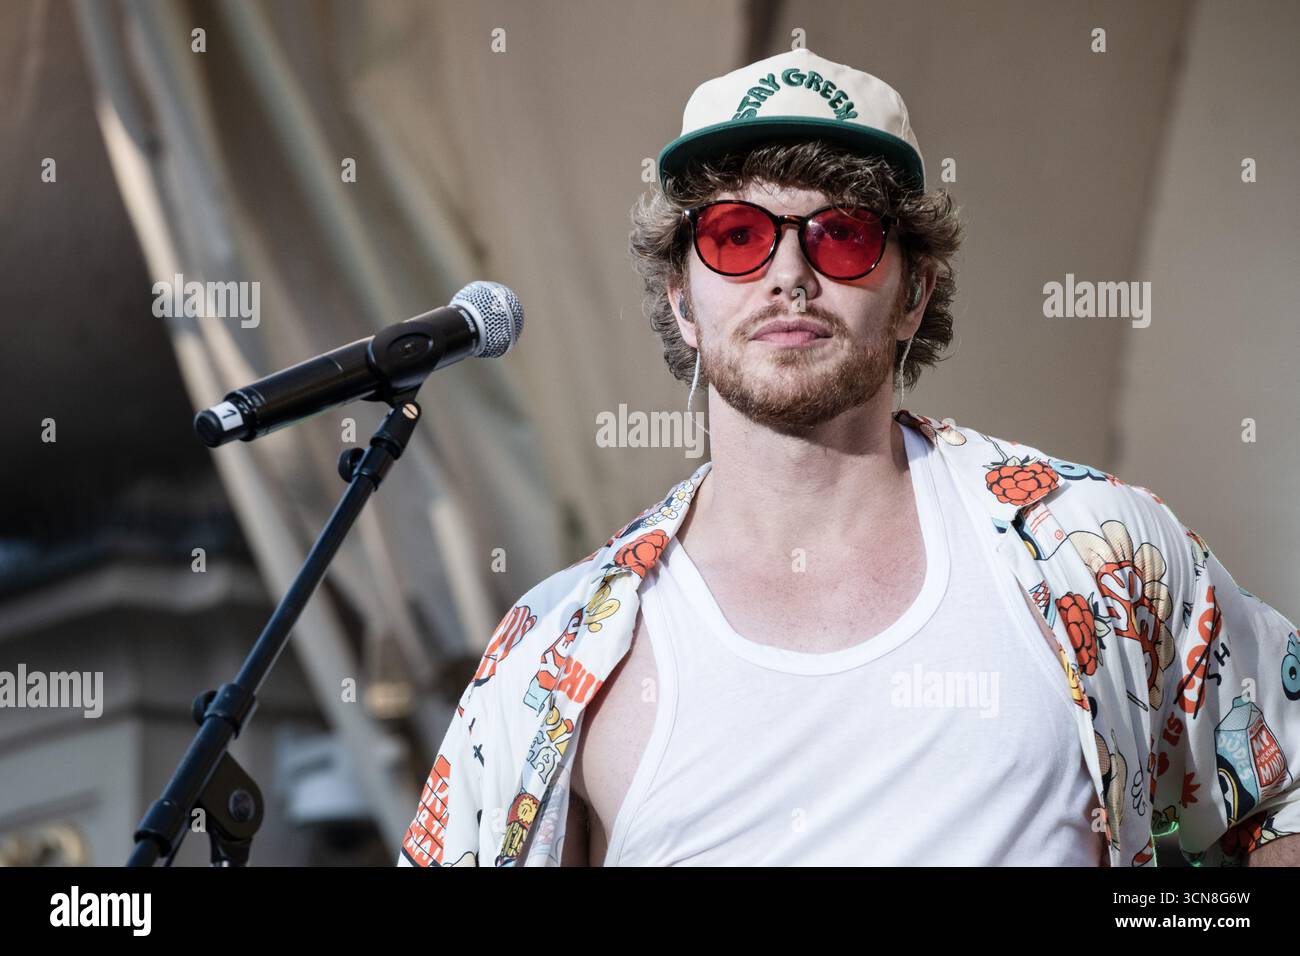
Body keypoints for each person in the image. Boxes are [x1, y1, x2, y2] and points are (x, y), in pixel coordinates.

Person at [398, 48, 1300, 867]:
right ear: (682, 299)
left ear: (913, 294)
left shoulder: (1092, 546)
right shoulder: (555, 650)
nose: (790, 273)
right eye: (737, 236)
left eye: (843, 234)